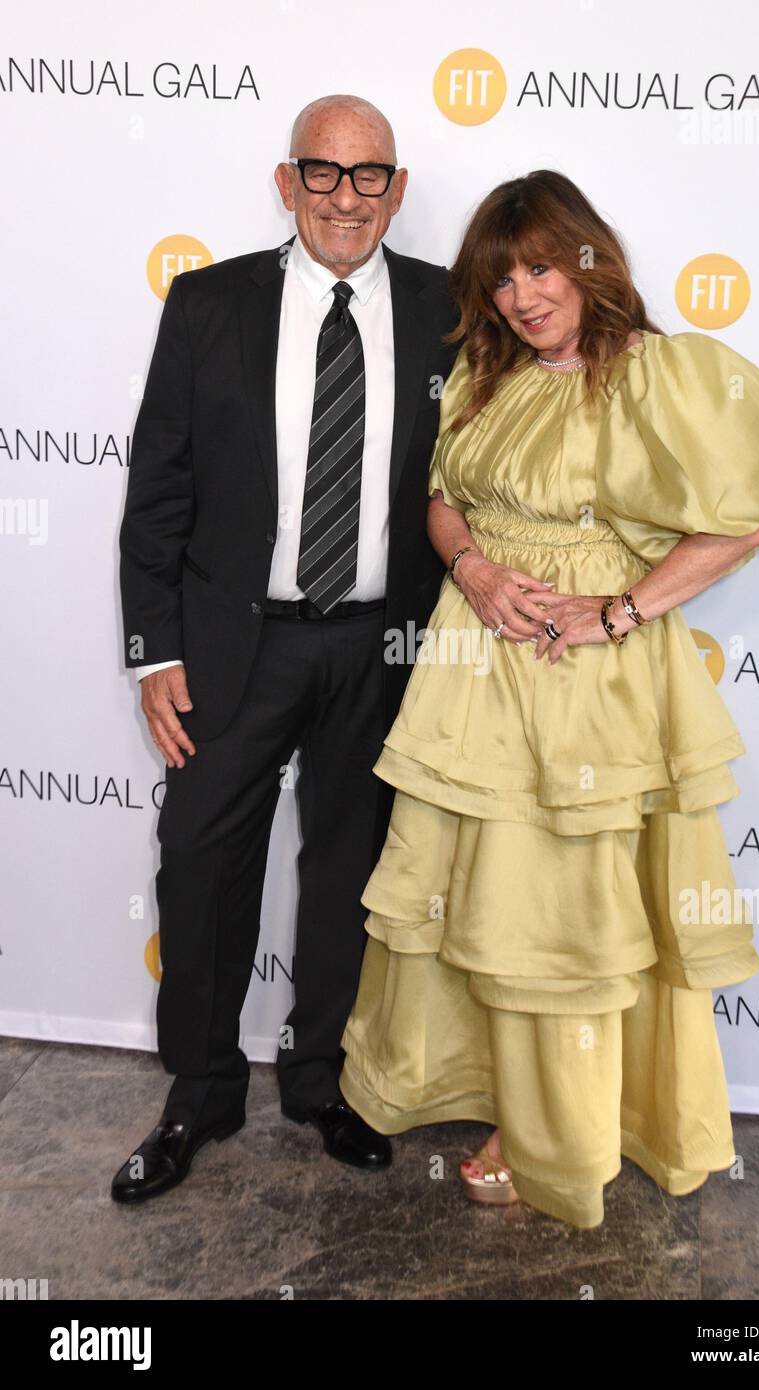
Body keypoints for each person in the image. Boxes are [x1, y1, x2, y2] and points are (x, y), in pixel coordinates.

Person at [338, 169, 759, 1229]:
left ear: (589, 261)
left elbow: (753, 513)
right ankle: (499, 1092)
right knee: (479, 895)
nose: (522, 294)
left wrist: (618, 611)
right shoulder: (485, 369)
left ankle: (559, 1130)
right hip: (477, 666)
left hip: (585, 683)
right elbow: (442, 501)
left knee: (564, 910)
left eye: (542, 267)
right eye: (503, 277)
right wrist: (474, 571)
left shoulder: (656, 372)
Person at [113, 95, 459, 1202]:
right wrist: (150, 650)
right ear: (286, 180)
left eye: (368, 176)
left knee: (350, 872)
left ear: (397, 190)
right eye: (323, 172)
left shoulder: (450, 308)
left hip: (381, 646)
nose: (345, 197)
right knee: (204, 865)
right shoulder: (208, 303)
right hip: (230, 648)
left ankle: (321, 1081)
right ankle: (201, 1092)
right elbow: (158, 489)